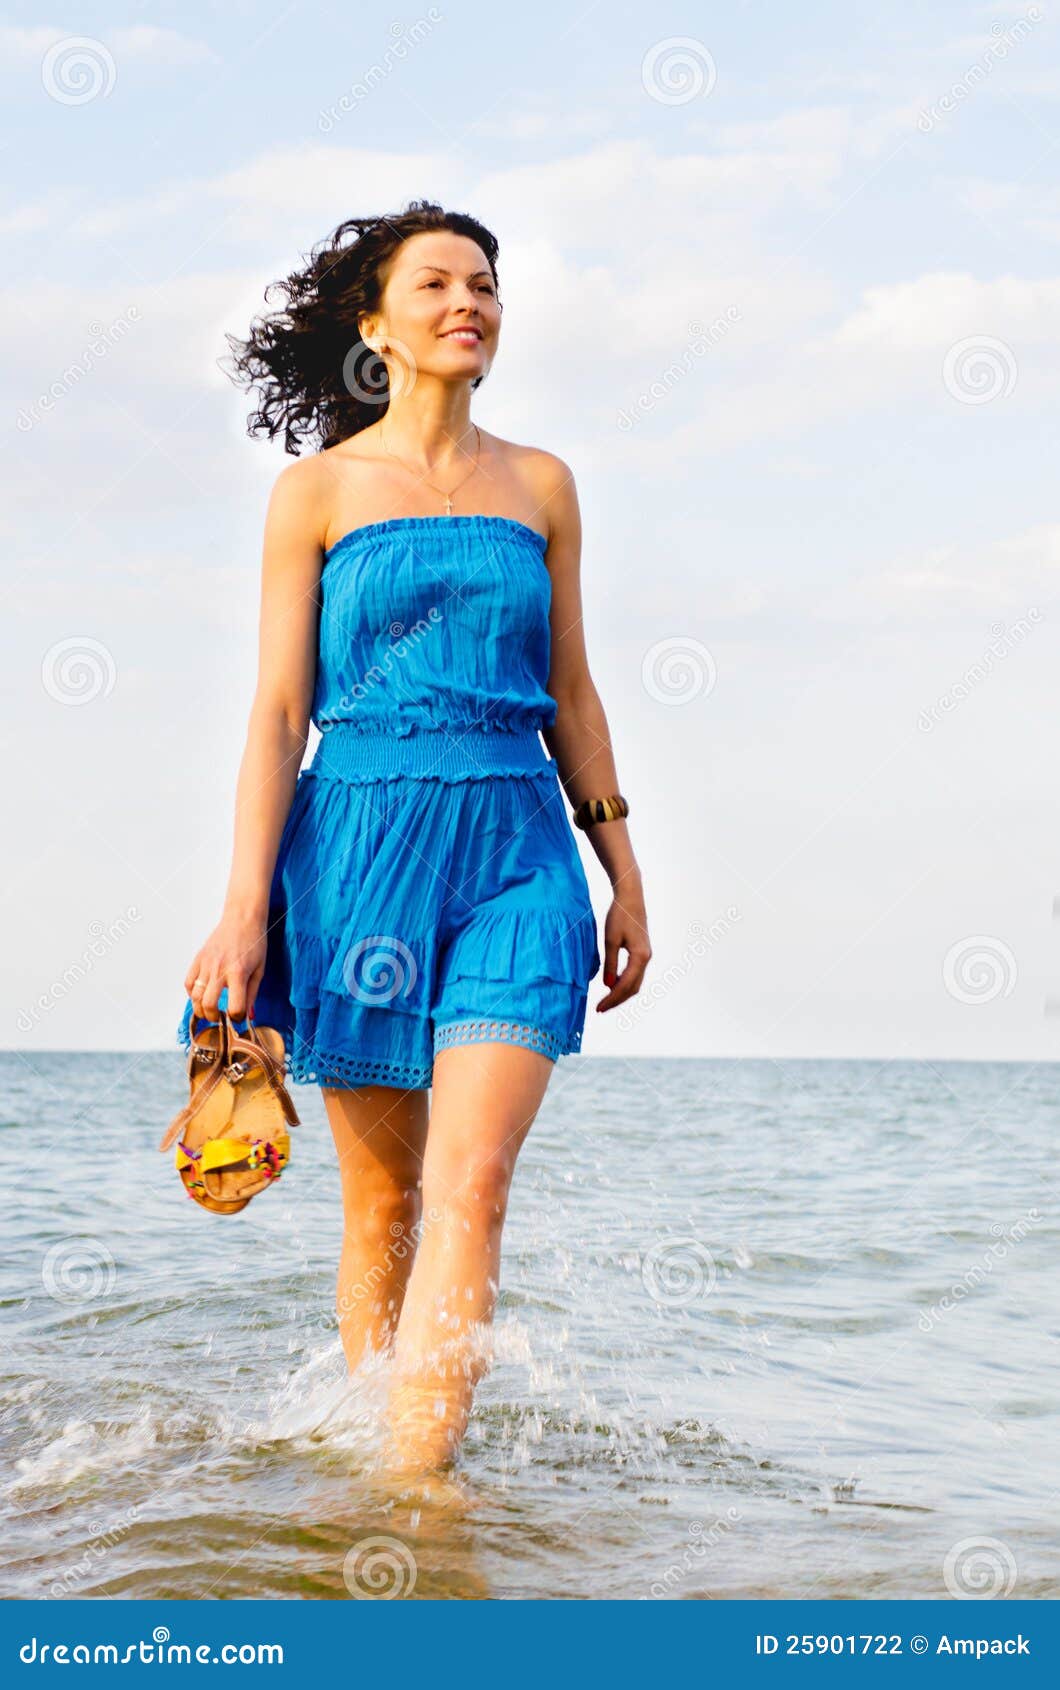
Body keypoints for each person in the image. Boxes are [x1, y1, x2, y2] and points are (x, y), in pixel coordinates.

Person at [177, 200, 652, 1479]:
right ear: (373, 327)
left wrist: (624, 874)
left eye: (487, 284)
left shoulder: (541, 484)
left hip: (514, 852)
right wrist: (242, 904)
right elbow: (279, 713)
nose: (470, 301)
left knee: (472, 1179)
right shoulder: (317, 492)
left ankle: (418, 1490)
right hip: (360, 853)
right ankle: (365, 1439)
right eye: (438, 282)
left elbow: (576, 690)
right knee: (383, 1200)